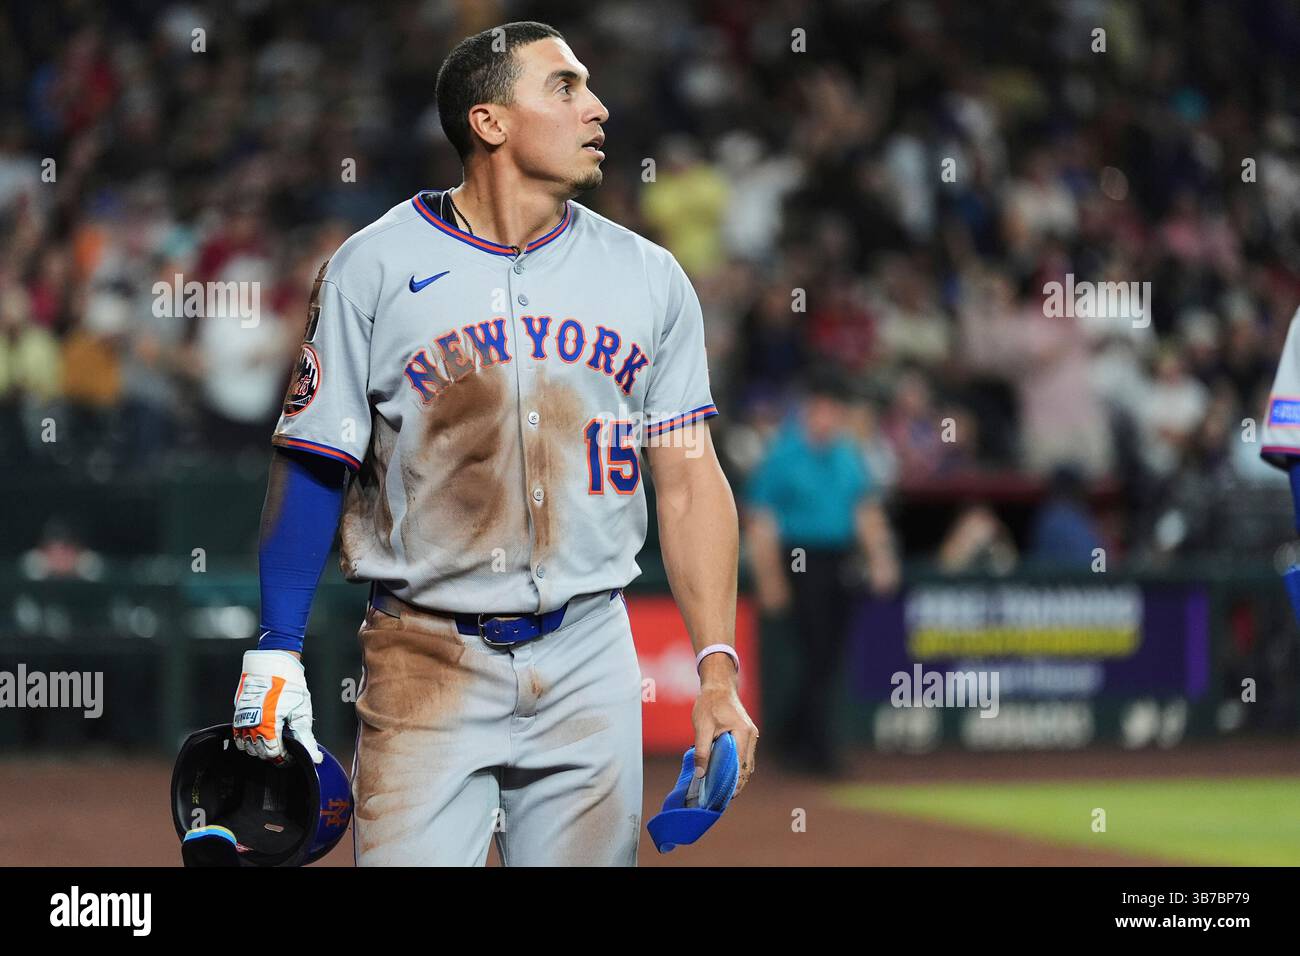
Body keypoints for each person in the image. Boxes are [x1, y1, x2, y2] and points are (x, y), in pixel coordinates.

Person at [226, 22, 757, 866]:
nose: (598, 107)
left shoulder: (650, 277)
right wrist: (277, 649)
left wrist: (717, 670)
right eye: (566, 87)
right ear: (491, 122)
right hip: (424, 656)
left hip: (591, 654)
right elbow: (313, 459)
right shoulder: (373, 266)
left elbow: (689, 480)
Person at [744, 375, 899, 775]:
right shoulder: (784, 455)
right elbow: (761, 518)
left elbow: (864, 508)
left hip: (839, 560)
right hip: (800, 559)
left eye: (835, 410)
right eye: (821, 409)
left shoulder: (847, 454)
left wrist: (881, 557)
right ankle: (818, 752)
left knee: (828, 657)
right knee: (814, 654)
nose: (828, 418)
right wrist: (771, 578)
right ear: (807, 410)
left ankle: (792, 739)